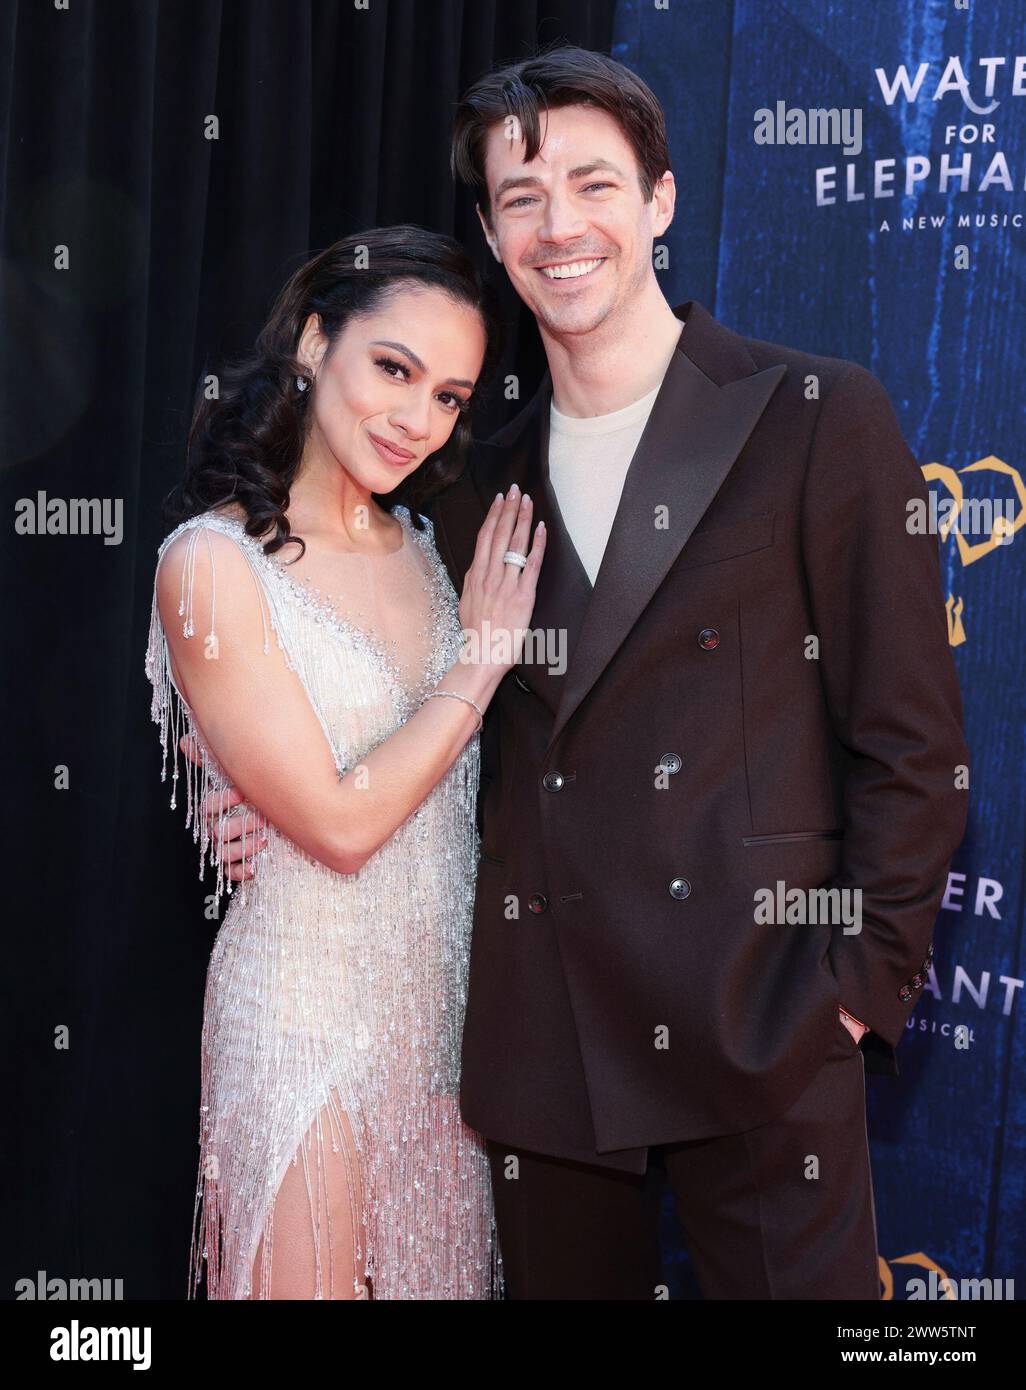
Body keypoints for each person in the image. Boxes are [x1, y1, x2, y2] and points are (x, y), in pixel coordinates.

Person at [209, 47, 970, 1299]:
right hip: (544, 1045)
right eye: (521, 197)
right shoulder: (465, 480)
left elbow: (912, 741)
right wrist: (272, 793)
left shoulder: (819, 414)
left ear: (660, 200)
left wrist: (850, 994)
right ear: (495, 236)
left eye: (592, 183)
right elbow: (397, 694)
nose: (559, 225)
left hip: (761, 1025)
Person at [144, 225, 545, 1300]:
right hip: (302, 1021)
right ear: (318, 343)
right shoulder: (209, 564)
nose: (417, 419)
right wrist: (486, 659)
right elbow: (338, 822)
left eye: (451, 396)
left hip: (441, 1040)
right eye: (395, 369)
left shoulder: (432, 546)